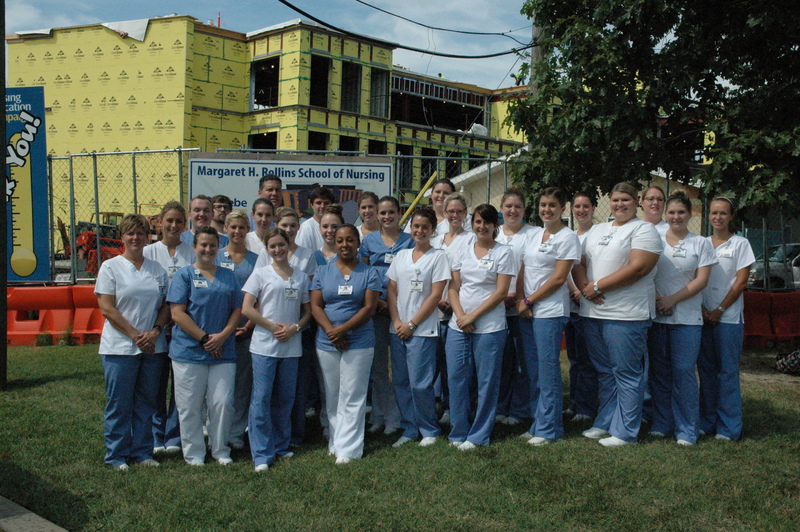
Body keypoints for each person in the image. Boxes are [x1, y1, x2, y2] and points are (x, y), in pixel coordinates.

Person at [578, 182, 663, 447]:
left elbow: (639, 267)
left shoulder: (644, 230)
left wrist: (598, 286)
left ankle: (626, 431)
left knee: (627, 373)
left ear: (636, 202)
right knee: (604, 371)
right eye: (615, 200)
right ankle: (605, 421)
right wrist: (585, 287)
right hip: (593, 312)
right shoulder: (597, 230)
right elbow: (579, 263)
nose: (620, 204)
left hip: (627, 315)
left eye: (626, 200)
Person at [95, 213, 171, 470]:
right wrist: (135, 335)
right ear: (122, 237)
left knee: (147, 402)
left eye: (140, 233)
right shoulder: (110, 267)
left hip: (153, 346)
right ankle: (116, 455)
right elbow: (107, 308)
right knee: (119, 402)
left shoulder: (156, 269)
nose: (136, 238)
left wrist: (156, 331)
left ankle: (142, 451)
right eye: (130, 233)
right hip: (120, 347)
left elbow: (166, 306)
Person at [167, 226, 243, 466]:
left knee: (222, 402)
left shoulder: (228, 275)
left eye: (212, 245)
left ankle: (220, 449)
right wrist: (205, 339)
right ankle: (194, 453)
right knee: (189, 406)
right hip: (189, 351)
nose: (208, 249)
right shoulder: (184, 275)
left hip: (224, 350)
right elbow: (177, 314)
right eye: (203, 245)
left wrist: (222, 336)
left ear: (218, 248)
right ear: (194, 247)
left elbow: (237, 310)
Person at [649, 191, 717, 446]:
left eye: (681, 212)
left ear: (689, 215)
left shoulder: (701, 243)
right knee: (660, 373)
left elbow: (702, 280)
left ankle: (687, 428)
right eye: (671, 212)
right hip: (658, 317)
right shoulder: (654, 238)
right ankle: (662, 423)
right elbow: (645, 270)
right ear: (665, 214)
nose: (676, 217)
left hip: (687, 320)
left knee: (684, 372)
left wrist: (672, 300)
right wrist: (659, 299)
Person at [241, 228, 312, 472]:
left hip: (291, 346)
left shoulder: (301, 277)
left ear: (288, 245)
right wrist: (273, 327)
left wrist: (293, 328)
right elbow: (247, 309)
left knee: (285, 398)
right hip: (264, 346)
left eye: (282, 245)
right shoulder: (260, 274)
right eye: (273, 246)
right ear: (267, 249)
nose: (278, 250)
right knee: (261, 398)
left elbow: (308, 312)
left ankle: (281, 445)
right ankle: (261, 453)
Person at [311, 225, 382, 464]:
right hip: (327, 341)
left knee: (353, 394)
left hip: (359, 341)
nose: (344, 245)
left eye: (350, 240)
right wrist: (332, 331)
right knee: (332, 395)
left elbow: (369, 308)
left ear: (357, 243)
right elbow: (316, 306)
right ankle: (335, 439)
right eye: (340, 240)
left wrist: (344, 329)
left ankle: (349, 449)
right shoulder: (322, 271)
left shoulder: (369, 272)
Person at [515, 188, 581, 446]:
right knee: (534, 371)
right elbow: (523, 269)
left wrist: (530, 300)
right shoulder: (533, 234)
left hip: (550, 311)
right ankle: (538, 422)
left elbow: (559, 278)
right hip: (528, 309)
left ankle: (549, 429)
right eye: (543, 205)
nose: (547, 210)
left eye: (552, 205)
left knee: (548, 370)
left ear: (563, 208)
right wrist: (521, 300)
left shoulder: (567, 237)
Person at [446, 204, 514, 450]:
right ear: (471, 224)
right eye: (477, 222)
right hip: (458, 325)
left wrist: (473, 315)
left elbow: (501, 292)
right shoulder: (461, 250)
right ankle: (458, 431)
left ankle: (479, 435)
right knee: (456, 378)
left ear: (495, 225)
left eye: (487, 222)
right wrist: (461, 315)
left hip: (489, 327)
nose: (482, 226)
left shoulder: (504, 253)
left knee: (487, 382)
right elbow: (453, 287)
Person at [255, 207, 321, 446]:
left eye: (294, 226)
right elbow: (258, 292)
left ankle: (293, 435)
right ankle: (266, 436)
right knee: (266, 390)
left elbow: (309, 294)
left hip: (298, 330)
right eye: (284, 226)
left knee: (294, 387)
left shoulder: (307, 255)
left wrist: (296, 326)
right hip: (269, 330)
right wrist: (272, 325)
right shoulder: (269, 253)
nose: (289, 230)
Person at [386, 207, 450, 448]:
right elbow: (392, 290)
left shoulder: (439, 257)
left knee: (420, 383)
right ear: (410, 228)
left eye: (425, 227)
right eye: (416, 226)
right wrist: (396, 321)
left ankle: (429, 428)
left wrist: (412, 324)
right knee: (401, 382)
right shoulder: (402, 256)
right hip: (398, 328)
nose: (420, 231)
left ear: (433, 229)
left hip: (422, 330)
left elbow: (435, 295)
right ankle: (410, 428)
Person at [699, 197, 755, 441]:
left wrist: (719, 310)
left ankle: (729, 427)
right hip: (702, 317)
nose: (718, 217)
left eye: (723, 213)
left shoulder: (741, 244)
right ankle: (707, 421)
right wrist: (703, 310)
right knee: (707, 372)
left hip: (728, 319)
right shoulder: (701, 243)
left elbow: (741, 282)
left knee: (728, 373)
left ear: (731, 216)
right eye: (714, 213)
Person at [143, 201, 196, 455]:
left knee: (181, 386)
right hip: (154, 328)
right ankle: (155, 434)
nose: (174, 226)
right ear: (160, 222)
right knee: (154, 384)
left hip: (185, 328)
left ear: (184, 225)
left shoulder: (192, 252)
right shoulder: (149, 252)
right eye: (169, 221)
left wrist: (180, 315)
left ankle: (174, 435)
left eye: (178, 221)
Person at [360, 196, 413, 436]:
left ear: (399, 213)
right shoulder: (369, 241)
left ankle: (399, 416)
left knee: (401, 368)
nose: (387, 217)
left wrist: (392, 303)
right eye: (383, 213)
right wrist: (377, 302)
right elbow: (363, 272)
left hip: (402, 310)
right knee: (379, 367)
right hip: (376, 309)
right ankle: (380, 416)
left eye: (392, 212)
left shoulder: (410, 240)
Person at [217, 210, 259, 450]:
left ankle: (235, 432)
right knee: (219, 386)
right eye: (233, 227)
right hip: (219, 330)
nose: (237, 232)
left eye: (242, 228)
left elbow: (262, 295)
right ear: (226, 228)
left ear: (247, 230)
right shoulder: (215, 256)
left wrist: (249, 325)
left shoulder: (256, 259)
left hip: (246, 330)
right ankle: (215, 430)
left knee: (243, 383)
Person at [431, 193, 474, 424]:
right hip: (432, 308)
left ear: (465, 213)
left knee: (454, 365)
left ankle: (451, 408)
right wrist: (436, 298)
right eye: (451, 212)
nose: (455, 215)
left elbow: (469, 275)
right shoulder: (436, 237)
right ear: (444, 213)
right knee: (434, 362)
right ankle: (432, 406)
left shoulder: (470, 239)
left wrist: (451, 300)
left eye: (459, 211)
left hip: (456, 309)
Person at [495, 188, 535, 427]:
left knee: (523, 362)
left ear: (524, 210)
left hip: (522, 307)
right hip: (494, 308)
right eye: (508, 206)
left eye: (517, 206)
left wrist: (518, 297)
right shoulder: (492, 232)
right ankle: (500, 406)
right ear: (501, 208)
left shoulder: (534, 234)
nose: (512, 211)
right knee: (500, 362)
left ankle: (520, 409)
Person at [563, 192, 599, 422]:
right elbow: (565, 269)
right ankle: (574, 403)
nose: (581, 210)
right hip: (572, 304)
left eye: (586, 206)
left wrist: (582, 290)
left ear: (594, 208)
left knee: (587, 360)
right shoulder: (570, 235)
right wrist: (572, 290)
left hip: (590, 304)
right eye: (577, 206)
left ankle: (587, 407)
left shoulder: (598, 234)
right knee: (574, 359)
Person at [296, 186, 335, 251]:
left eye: (326, 203)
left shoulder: (338, 227)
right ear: (311, 205)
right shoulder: (306, 228)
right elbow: (302, 255)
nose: (322, 206)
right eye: (318, 203)